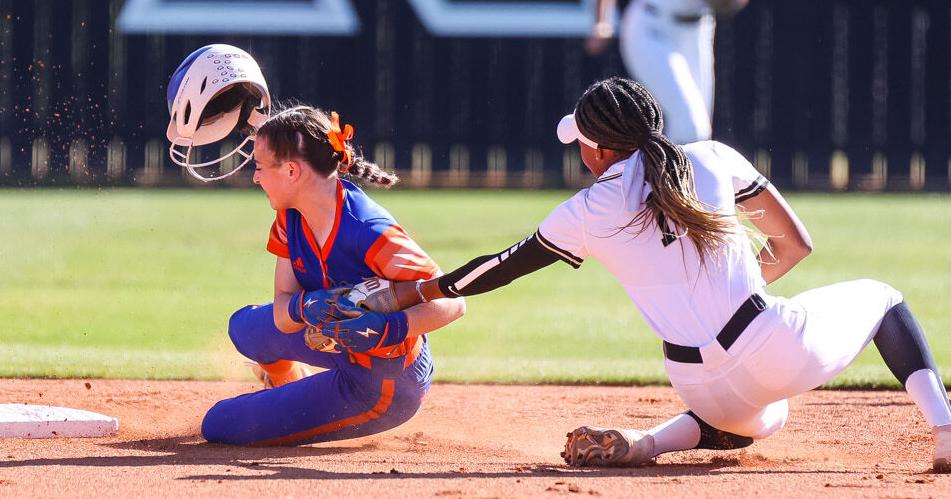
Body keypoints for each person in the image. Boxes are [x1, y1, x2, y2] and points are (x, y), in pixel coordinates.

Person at [321, 77, 951, 471]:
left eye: (581, 145)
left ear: (597, 148)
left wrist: (411, 293)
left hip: (696, 382)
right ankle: (945, 430)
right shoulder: (710, 158)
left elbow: (496, 270)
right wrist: (745, 287)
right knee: (883, 299)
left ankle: (646, 442)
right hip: (771, 344)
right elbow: (795, 244)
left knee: (764, 417)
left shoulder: (587, 209)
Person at [166, 46, 465, 446]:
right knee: (245, 327)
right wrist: (306, 306)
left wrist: (388, 329)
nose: (255, 178)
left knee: (218, 425)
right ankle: (286, 384)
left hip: (385, 382)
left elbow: (453, 301)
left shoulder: (367, 229)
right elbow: (283, 314)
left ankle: (317, 402)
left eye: (259, 167)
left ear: (292, 171)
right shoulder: (291, 215)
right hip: (339, 341)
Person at [586, 0, 748, 144]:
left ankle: (663, 175)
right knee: (690, 126)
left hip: (698, 30)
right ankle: (667, 175)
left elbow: (730, 5)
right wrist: (602, 20)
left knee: (700, 135)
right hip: (651, 25)